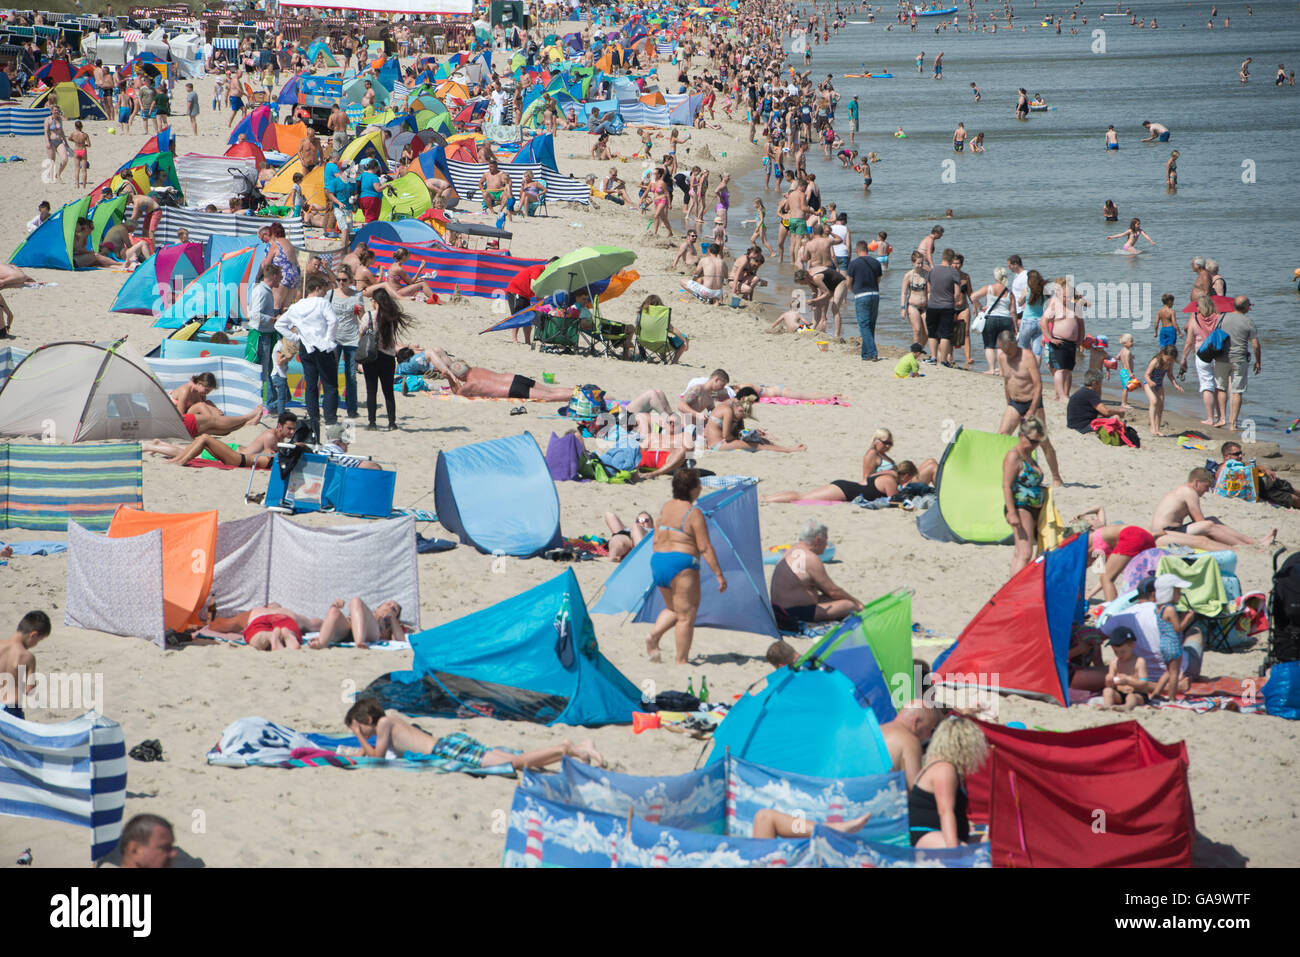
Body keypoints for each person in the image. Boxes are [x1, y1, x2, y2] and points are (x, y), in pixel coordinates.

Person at [344, 699, 604, 770]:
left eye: (359, 726)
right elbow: (376, 752)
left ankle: (564, 748)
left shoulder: (383, 724)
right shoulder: (390, 720)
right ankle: (580, 748)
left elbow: (377, 757)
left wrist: (358, 735)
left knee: (515, 764)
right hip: (451, 743)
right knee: (519, 762)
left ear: (367, 720)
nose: (361, 732)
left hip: (447, 750)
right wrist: (359, 747)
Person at [645, 469, 726, 664]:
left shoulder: (665, 508)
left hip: (658, 560)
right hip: (681, 562)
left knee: (673, 608)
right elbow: (704, 546)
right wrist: (718, 574)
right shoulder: (693, 512)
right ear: (691, 490)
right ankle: (681, 661)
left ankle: (653, 636)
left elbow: (656, 538)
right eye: (698, 485)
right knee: (686, 616)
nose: (700, 489)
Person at [275, 273, 340, 443]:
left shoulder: (297, 306)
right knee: (330, 386)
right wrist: (329, 340)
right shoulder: (322, 303)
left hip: (306, 347)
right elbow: (333, 321)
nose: (325, 293)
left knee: (311, 386)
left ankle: (314, 423)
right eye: (324, 290)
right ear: (317, 288)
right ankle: (332, 422)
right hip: (323, 347)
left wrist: (296, 337)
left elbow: (279, 324)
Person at [908, 716, 988, 848]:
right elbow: (945, 811)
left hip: (945, 834)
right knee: (967, 853)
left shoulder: (943, 767)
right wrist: (954, 851)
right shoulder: (945, 769)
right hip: (928, 834)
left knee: (994, 843)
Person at [768, 521, 863, 626]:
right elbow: (833, 591)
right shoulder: (810, 558)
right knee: (849, 606)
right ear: (818, 540)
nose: (827, 544)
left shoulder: (789, 552)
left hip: (778, 608)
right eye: (826, 539)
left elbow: (826, 590)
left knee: (833, 600)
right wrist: (858, 603)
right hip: (791, 612)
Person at [1151, 468, 1276, 547]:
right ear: (1196, 483)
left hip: (1172, 529)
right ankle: (1245, 545)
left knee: (1212, 520)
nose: (1206, 491)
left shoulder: (1183, 490)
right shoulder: (1189, 492)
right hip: (1166, 531)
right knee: (1209, 525)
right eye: (1205, 487)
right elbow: (1200, 522)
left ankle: (1254, 541)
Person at [141, 412, 298, 468]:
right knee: (189, 450)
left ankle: (159, 446)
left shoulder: (277, 437)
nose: (291, 432)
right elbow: (268, 455)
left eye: (293, 429)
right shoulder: (272, 437)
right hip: (235, 453)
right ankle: (157, 447)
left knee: (192, 446)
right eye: (289, 429)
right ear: (279, 426)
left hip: (237, 451)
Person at [1003, 417, 1048, 577]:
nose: (1036, 445)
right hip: (1021, 506)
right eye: (1033, 441)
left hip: (1032, 507)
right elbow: (1006, 485)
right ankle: (1015, 590)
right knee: (1025, 552)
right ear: (1022, 436)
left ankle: (1011, 589)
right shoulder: (1014, 456)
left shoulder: (1028, 455)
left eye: (1038, 442)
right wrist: (1011, 512)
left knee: (1020, 551)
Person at [1214, 296, 1261, 432]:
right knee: (1236, 391)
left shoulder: (1222, 318)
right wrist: (1258, 362)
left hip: (1221, 357)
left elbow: (1215, 335)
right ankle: (1232, 424)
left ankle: (1222, 418)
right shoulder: (1248, 322)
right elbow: (1255, 345)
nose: (1250, 308)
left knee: (1221, 388)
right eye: (1249, 305)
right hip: (1239, 359)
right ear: (1245, 307)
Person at [880, 701, 944, 788]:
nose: (929, 735)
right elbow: (915, 790)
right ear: (916, 722)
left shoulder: (880, 730)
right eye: (929, 728)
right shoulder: (909, 741)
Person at [207, 603, 323, 651]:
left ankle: (270, 637)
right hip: (285, 619)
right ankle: (289, 635)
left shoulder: (256, 611)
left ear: (266, 606)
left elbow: (222, 625)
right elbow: (315, 624)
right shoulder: (288, 612)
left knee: (258, 636)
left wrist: (212, 623)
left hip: (260, 618)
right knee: (290, 630)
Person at [1, 611, 51, 720]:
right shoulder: (27, 657)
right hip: (11, 709)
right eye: (38, 640)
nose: (35, 645)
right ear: (33, 635)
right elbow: (29, 691)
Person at [1042, 277, 1086, 400]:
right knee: (1059, 369)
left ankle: (1065, 394)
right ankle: (1060, 394)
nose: (1067, 299)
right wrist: (1049, 337)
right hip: (1058, 341)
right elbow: (1044, 322)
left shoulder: (1075, 306)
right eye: (1065, 296)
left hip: (1072, 343)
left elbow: (1081, 324)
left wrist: (1080, 340)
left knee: (1068, 370)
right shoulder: (1054, 304)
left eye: (1069, 296)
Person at [1218, 441, 1299, 508]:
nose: (1240, 456)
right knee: (1292, 498)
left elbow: (1250, 465)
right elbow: (1220, 481)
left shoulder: (1239, 463)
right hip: (1264, 490)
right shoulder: (1223, 469)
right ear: (1227, 456)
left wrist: (1265, 469)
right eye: (1237, 454)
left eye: (1241, 453)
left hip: (1268, 481)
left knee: (1290, 488)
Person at [970, 266, 1019, 375]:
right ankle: (1001, 370)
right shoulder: (1010, 292)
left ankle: (992, 369)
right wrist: (1015, 326)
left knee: (989, 345)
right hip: (1006, 320)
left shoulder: (989, 288)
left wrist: (981, 307)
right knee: (1001, 346)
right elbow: (1013, 311)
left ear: (995, 276)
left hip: (991, 319)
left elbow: (973, 297)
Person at [310, 597, 407, 648]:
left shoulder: (391, 625)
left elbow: (400, 640)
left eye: (394, 609)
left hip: (369, 633)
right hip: (347, 629)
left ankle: (359, 642)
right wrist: (336, 605)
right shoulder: (367, 613)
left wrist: (393, 618)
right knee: (334, 611)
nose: (390, 607)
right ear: (378, 608)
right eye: (388, 604)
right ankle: (322, 643)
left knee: (356, 601)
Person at [846, 240, 883, 360]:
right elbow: (878, 280)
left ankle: (872, 352)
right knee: (870, 325)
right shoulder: (876, 262)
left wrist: (854, 291)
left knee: (863, 325)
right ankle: (866, 354)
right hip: (875, 294)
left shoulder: (853, 264)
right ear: (867, 249)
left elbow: (848, 283)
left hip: (861, 295)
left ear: (857, 251)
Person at [925, 249, 962, 367]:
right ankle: (944, 360)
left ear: (942, 257)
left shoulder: (933, 271)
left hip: (932, 305)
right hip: (947, 306)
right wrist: (954, 301)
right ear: (951, 260)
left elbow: (929, 289)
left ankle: (933, 357)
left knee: (932, 333)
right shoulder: (953, 272)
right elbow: (957, 293)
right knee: (945, 334)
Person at [1101, 627, 1151, 710]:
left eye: (1123, 652)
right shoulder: (1114, 662)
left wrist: (1128, 681)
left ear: (1132, 645)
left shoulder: (1139, 662)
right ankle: (1107, 706)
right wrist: (1109, 680)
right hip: (1120, 694)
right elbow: (1109, 684)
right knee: (1107, 691)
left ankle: (1127, 707)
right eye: (1115, 652)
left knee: (1131, 697)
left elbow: (1144, 683)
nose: (1119, 655)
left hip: (1137, 693)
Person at [1142, 345, 1185, 436]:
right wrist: (1149, 381)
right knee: (1154, 401)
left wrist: (1176, 385)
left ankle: (1157, 429)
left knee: (1160, 406)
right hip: (1149, 384)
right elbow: (1146, 375)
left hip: (1159, 385)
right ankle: (1152, 428)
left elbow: (1170, 375)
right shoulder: (1156, 361)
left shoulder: (1170, 363)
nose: (1168, 361)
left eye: (1171, 360)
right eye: (1167, 359)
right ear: (1162, 354)